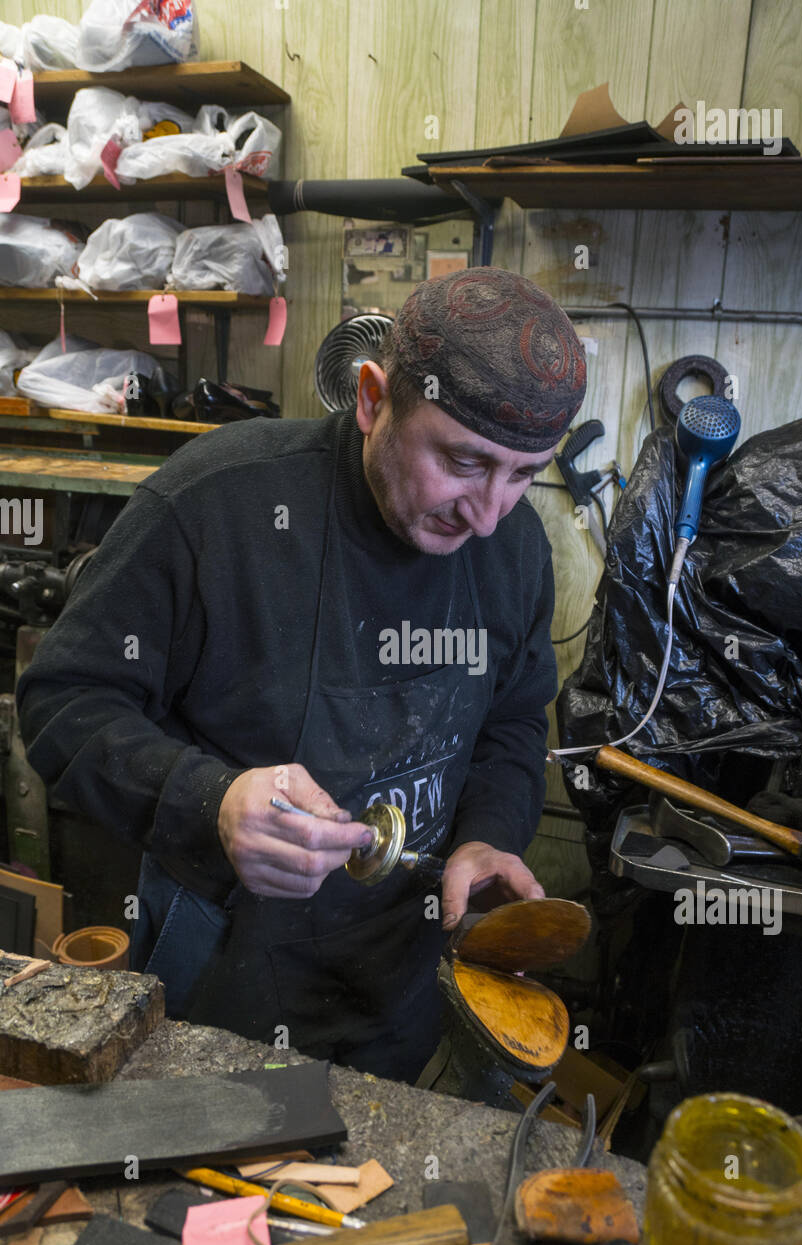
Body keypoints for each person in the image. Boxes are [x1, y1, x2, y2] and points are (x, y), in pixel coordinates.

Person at [16, 266, 587, 1083]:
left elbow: (512, 721)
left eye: (524, 474)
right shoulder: (214, 507)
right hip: (222, 983)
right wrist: (208, 803)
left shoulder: (515, 548)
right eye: (463, 462)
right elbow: (62, 700)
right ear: (370, 397)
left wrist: (489, 834)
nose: (489, 512)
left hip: (401, 987)